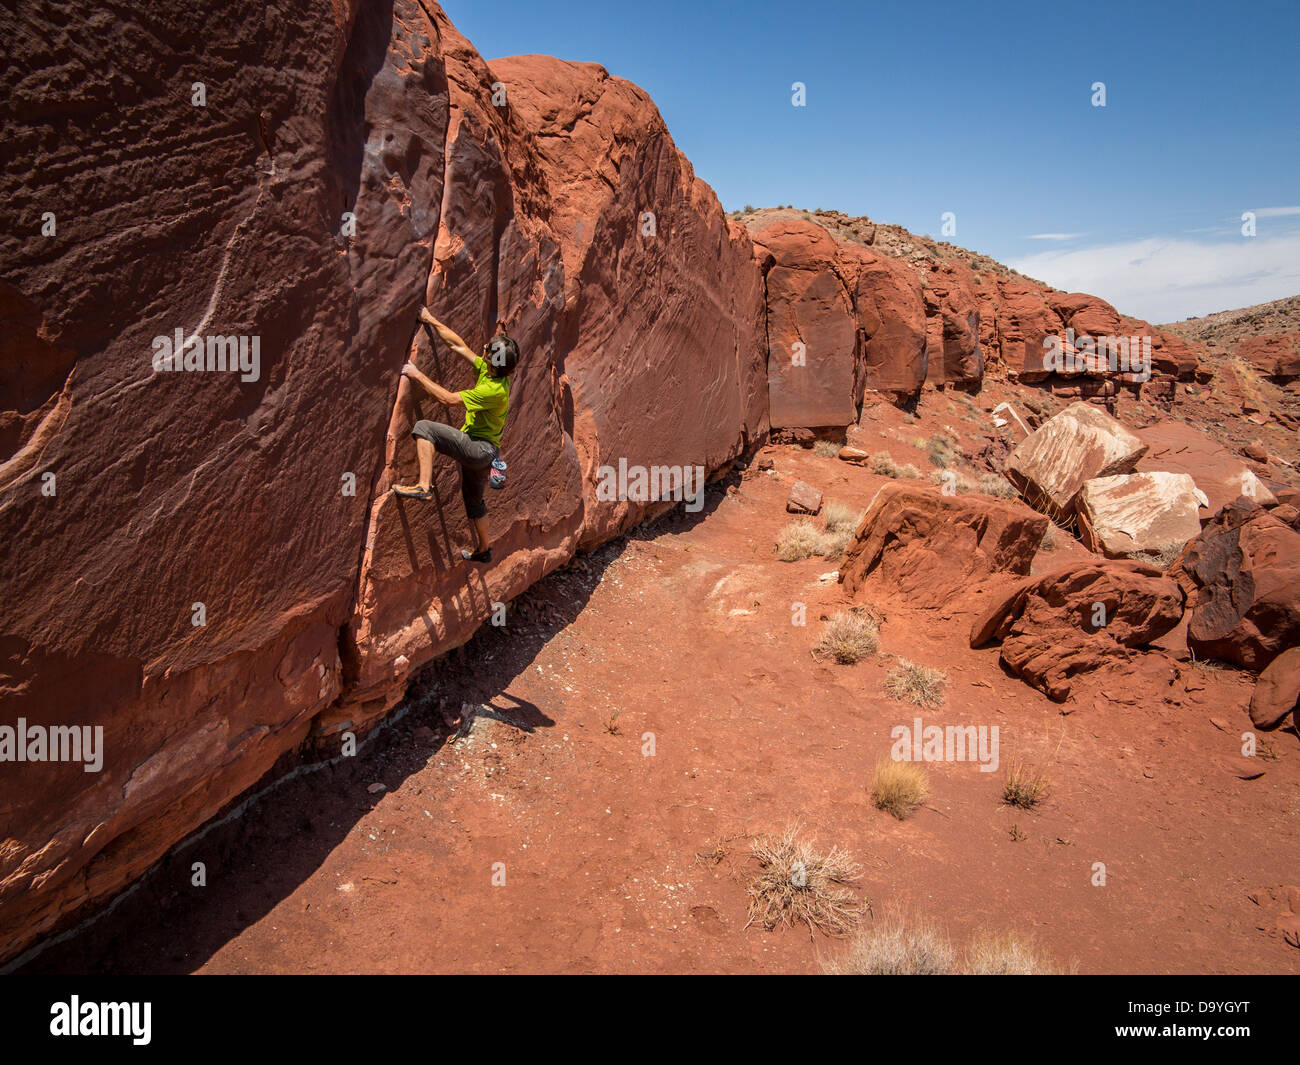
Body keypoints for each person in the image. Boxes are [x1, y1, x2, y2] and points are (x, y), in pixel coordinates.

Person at [394, 307, 518, 564]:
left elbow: (449, 399)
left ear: (492, 360)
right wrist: (429, 318)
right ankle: (484, 550)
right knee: (474, 503)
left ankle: (423, 486)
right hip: (487, 453)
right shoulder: (494, 371)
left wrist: (417, 375)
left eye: (487, 348)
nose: (483, 347)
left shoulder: (494, 390)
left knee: (425, 428)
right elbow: (458, 347)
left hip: (478, 449)